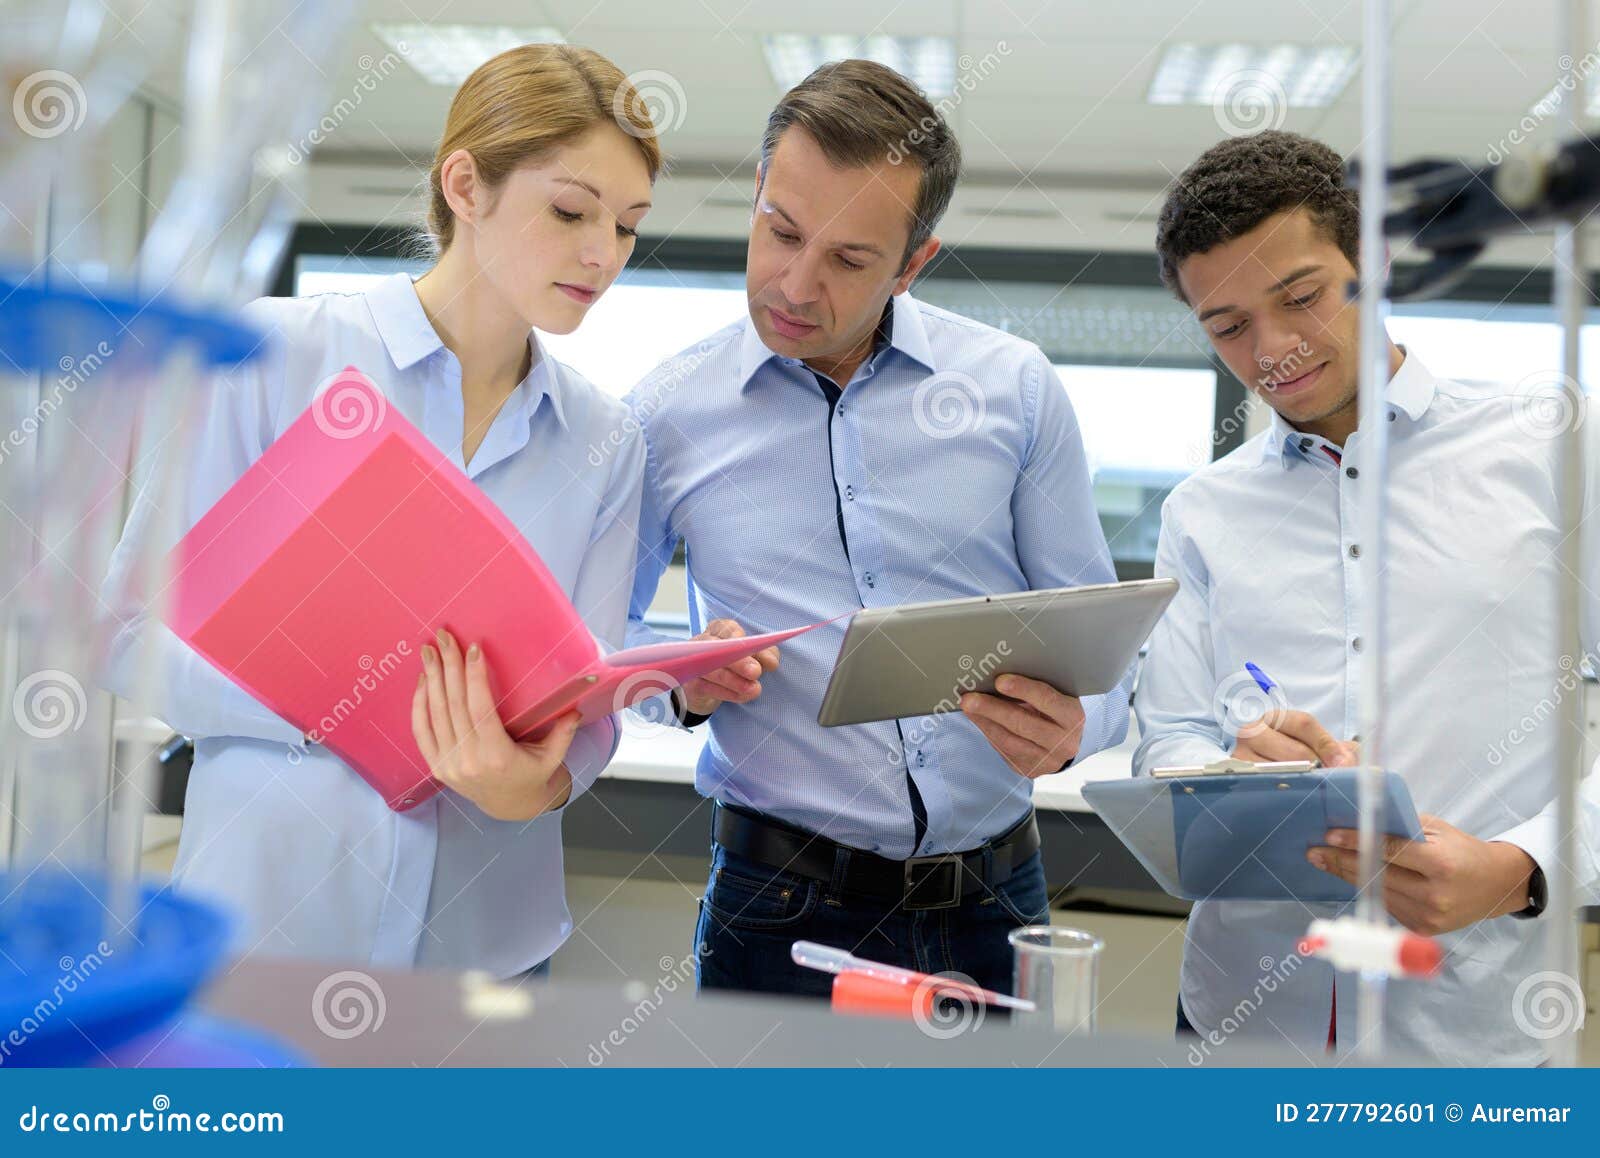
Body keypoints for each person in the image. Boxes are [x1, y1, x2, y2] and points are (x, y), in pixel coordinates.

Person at [101, 44, 659, 978]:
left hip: (489, 952)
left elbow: (589, 703)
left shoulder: (607, 438)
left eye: (630, 227)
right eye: (570, 211)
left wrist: (541, 785)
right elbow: (125, 634)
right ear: (465, 186)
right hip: (267, 930)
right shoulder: (272, 356)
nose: (603, 255)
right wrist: (352, 706)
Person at [624, 60, 1131, 999]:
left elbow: (1098, 641)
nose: (795, 284)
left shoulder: (1013, 390)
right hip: (778, 904)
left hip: (995, 898)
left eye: (850, 260)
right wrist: (682, 683)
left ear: (913, 263)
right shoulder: (665, 413)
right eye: (779, 232)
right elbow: (596, 645)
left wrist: (1073, 731)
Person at [1135, 129, 1600, 1064]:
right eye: (1226, 326)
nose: (1272, 350)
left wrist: (1525, 869)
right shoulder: (1202, 512)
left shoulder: (1555, 450)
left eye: (1301, 296)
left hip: (1476, 1035)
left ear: (1375, 259)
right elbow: (1167, 746)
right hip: (1241, 1024)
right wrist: (1231, 771)